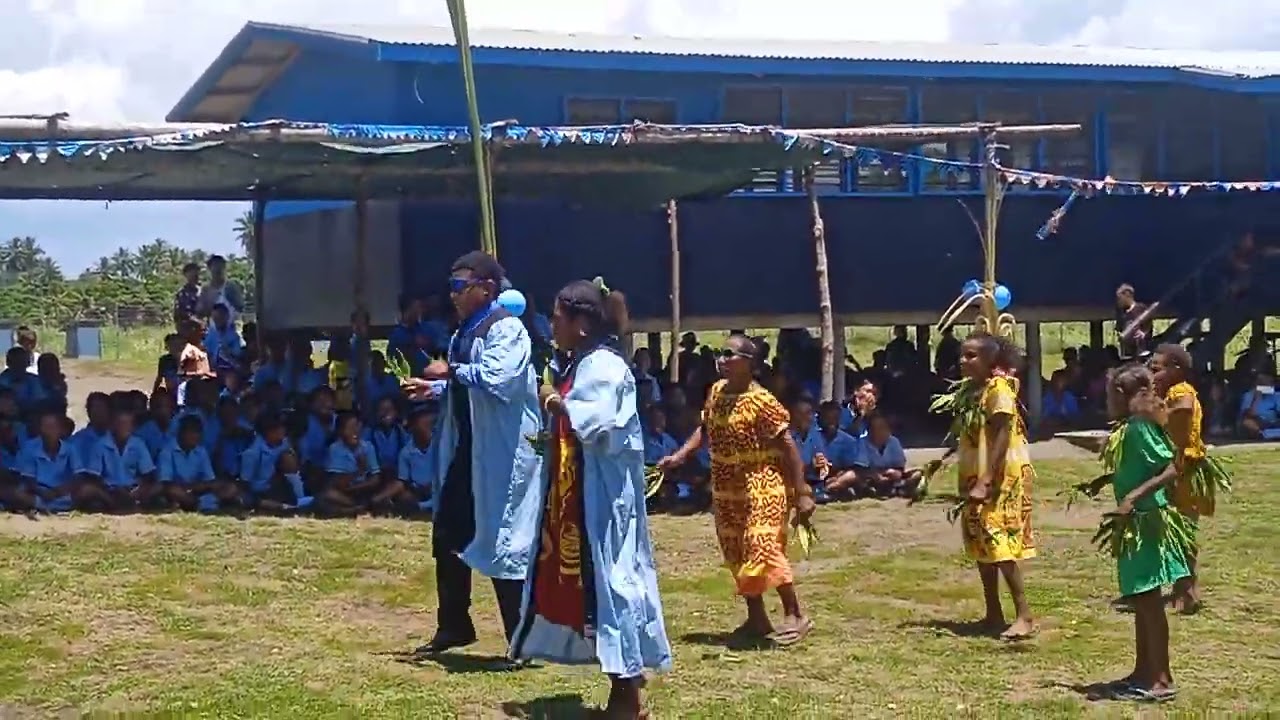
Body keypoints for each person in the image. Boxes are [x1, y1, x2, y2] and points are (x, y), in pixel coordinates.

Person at [509, 278, 671, 718]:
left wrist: (550, 401)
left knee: (613, 587)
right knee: (595, 588)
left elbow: (596, 421)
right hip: (581, 496)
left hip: (602, 500)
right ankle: (626, 689)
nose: (551, 326)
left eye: (557, 318)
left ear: (581, 323)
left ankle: (626, 700)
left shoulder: (603, 366)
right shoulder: (581, 363)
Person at [401, 251, 543, 656]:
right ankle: (454, 625)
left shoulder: (507, 329)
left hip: (501, 451)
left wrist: (451, 372)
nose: (453, 295)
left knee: (505, 539)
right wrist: (436, 389)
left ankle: (523, 638)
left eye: (460, 286)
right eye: (452, 286)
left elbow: (499, 380)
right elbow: (471, 388)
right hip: (468, 448)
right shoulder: (465, 330)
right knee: (448, 533)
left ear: (487, 288)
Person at [658, 334, 815, 646]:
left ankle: (795, 613)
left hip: (762, 485)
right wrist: (680, 455)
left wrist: (802, 491)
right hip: (728, 489)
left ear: (749, 363)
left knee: (762, 544)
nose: (722, 359)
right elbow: (705, 428)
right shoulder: (716, 392)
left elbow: (788, 446)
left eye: (730, 354)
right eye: (721, 353)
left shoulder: (762, 401)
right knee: (737, 551)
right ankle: (756, 618)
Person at [1095, 364, 1190, 702]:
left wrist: (1132, 497)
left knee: (1150, 601)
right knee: (1141, 599)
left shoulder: (1138, 427)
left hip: (1147, 519)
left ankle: (1161, 679)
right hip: (1136, 520)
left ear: (1121, 395)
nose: (1105, 402)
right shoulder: (1130, 427)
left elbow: (1172, 467)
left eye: (1108, 396)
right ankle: (1142, 672)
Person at [955, 333, 1037, 640]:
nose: (964, 361)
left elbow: (1002, 433)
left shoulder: (999, 389)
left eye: (972, 355)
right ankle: (993, 612)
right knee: (980, 540)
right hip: (975, 474)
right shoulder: (972, 391)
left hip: (1001, 476)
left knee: (997, 537)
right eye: (963, 355)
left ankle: (1024, 614)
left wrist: (988, 478)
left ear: (992, 360)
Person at [1150, 343, 1230, 615]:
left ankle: (1187, 589)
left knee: (1181, 532)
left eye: (1156, 369)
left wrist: (1154, 414)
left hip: (1186, 471)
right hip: (1181, 469)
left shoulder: (1181, 391)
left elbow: (1183, 409)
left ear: (1176, 369)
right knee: (1178, 531)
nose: (1152, 373)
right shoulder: (1169, 391)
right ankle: (1183, 587)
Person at [196, 255, 245, 324]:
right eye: (215, 266)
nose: (218, 269)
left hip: (232, 327)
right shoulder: (206, 289)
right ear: (209, 269)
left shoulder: (231, 286)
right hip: (213, 329)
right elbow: (199, 312)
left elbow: (241, 307)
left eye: (221, 267)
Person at [1238, 369, 1280, 438]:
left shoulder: (1276, 395)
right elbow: (1248, 414)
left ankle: (1272, 434)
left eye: (1268, 381)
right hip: (1258, 422)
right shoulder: (1249, 395)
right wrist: (1257, 398)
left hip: (1273, 421)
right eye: (1261, 382)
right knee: (1247, 422)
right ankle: (1263, 434)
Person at [1115, 284, 1152, 360]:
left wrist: (1143, 333)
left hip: (1141, 349)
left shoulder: (1141, 308)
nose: (1119, 301)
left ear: (1127, 295)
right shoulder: (1121, 312)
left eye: (1120, 298)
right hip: (1127, 351)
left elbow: (1149, 325)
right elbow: (1119, 327)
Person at [173, 262, 202, 330]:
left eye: (196, 272)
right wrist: (194, 319)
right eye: (192, 273)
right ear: (186, 275)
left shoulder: (203, 292)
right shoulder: (182, 293)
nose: (195, 275)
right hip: (188, 327)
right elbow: (179, 313)